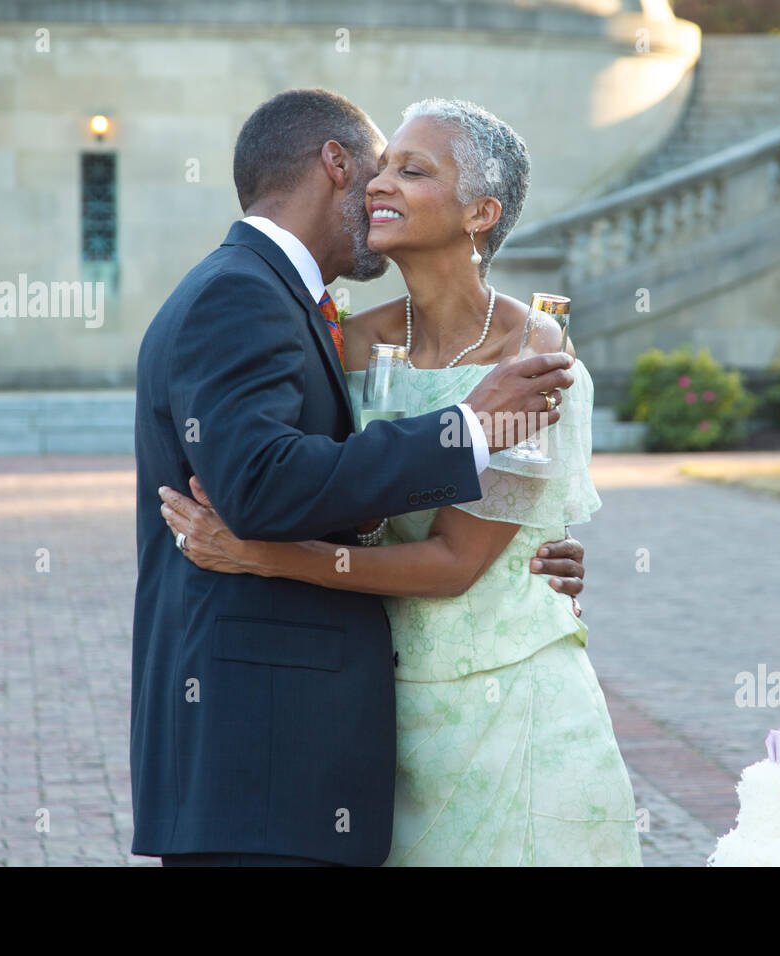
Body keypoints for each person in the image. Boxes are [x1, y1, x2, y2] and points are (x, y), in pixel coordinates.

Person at [158, 98, 642, 866]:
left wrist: (261, 554)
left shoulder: (532, 352)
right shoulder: (343, 343)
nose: (379, 183)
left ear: (480, 212)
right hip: (370, 710)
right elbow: (298, 484)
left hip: (507, 698)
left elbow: (456, 564)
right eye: (382, 166)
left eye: (411, 170)